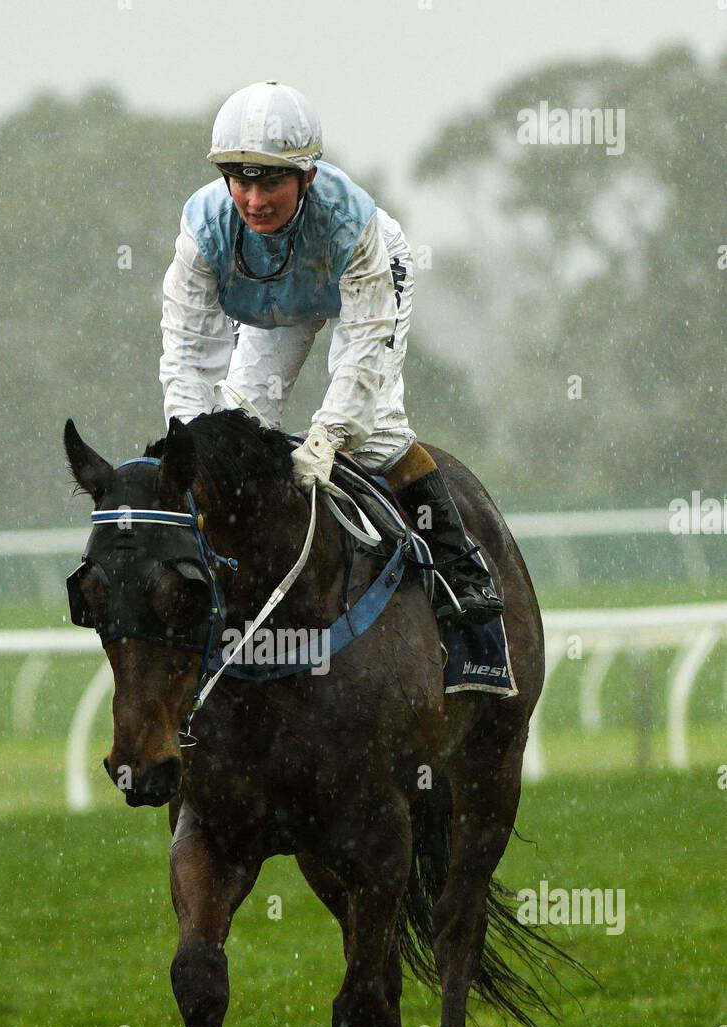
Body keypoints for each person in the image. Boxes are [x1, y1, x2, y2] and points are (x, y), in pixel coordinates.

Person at [159, 80, 503, 624]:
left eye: (271, 180)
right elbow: (187, 349)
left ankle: (461, 567)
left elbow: (364, 347)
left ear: (308, 176)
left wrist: (327, 436)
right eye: (240, 182)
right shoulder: (201, 228)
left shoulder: (352, 223)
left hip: (361, 276)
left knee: (376, 430)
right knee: (236, 427)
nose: (253, 200)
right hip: (281, 299)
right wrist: (188, 446)